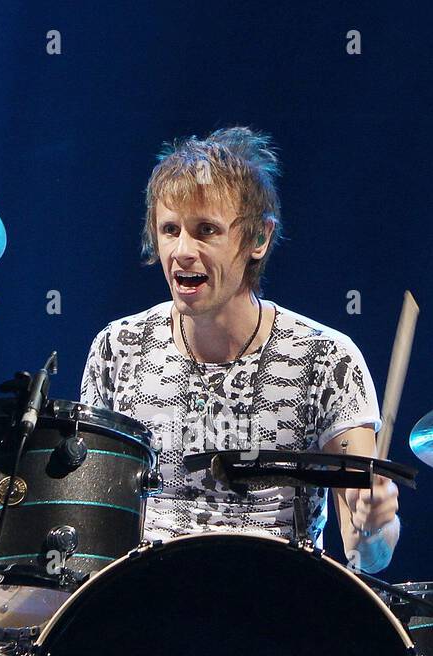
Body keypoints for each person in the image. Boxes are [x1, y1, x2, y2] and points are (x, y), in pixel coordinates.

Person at [80, 127, 399, 572]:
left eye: (206, 230)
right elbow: (93, 521)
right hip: (146, 609)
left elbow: (368, 555)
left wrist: (373, 524)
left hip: (275, 612)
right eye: (170, 230)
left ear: (259, 239)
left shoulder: (326, 360)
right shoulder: (118, 348)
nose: (182, 251)